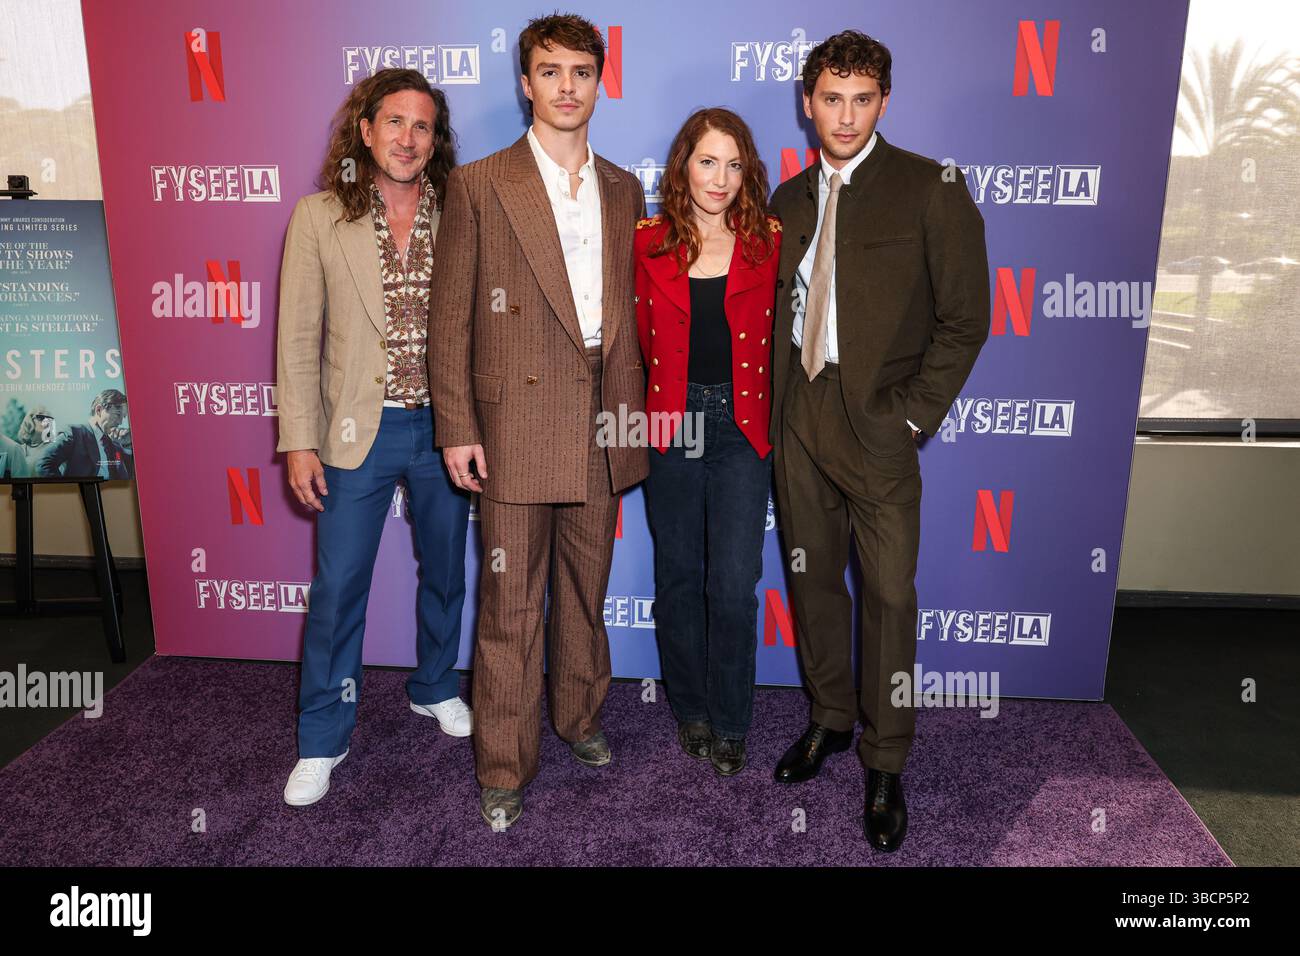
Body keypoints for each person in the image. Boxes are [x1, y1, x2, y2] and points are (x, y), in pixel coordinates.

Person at [768, 30, 990, 852]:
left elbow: (967, 320)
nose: (846, 115)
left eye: (863, 99)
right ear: (808, 101)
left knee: (891, 597)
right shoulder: (787, 199)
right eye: (832, 98)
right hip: (799, 419)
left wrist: (910, 414)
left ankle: (886, 755)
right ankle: (829, 718)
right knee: (815, 582)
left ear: (884, 102)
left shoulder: (932, 186)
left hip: (880, 426)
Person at [428, 13, 647, 830]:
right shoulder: (480, 183)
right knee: (511, 605)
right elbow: (451, 319)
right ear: (525, 82)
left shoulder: (625, 186)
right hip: (514, 418)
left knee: (586, 594)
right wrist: (457, 425)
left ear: (599, 81)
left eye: (581, 72)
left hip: (606, 411)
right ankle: (503, 766)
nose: (566, 87)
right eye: (549, 71)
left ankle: (580, 719)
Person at [276, 68, 471, 807]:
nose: (407, 138)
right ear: (366, 129)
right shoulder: (318, 216)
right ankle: (322, 736)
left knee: (448, 572)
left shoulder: (460, 209)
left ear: (435, 139)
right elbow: (297, 340)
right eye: (394, 122)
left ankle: (432, 686)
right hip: (356, 431)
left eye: (422, 126)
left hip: (446, 428)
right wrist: (299, 438)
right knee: (338, 589)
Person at [634, 108, 781, 776]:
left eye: (733, 163)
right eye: (706, 161)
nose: (719, 178)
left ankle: (731, 720)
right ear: (682, 166)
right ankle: (690, 710)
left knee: (734, 585)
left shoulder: (770, 242)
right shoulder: (646, 243)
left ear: (746, 170)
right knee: (678, 578)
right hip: (670, 423)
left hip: (743, 427)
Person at [35, 391, 132, 479]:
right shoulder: (74, 433)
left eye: (123, 417)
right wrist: (66, 490)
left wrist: (126, 447)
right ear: (99, 410)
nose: (120, 422)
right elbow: (43, 464)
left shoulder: (114, 443)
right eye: (118, 415)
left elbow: (127, 477)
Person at [2, 405, 57, 478]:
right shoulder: (17, 449)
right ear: (30, 420)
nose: (46, 421)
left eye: (49, 419)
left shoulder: (52, 449)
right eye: (41, 418)